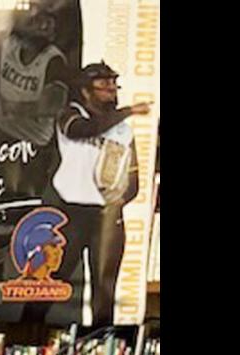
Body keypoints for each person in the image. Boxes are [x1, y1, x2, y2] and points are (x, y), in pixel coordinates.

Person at [0, 1, 77, 307]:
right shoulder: (5, 44)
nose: (44, 22)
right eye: (37, 15)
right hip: (2, 139)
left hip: (34, 146)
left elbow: (53, 102)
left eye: (51, 19)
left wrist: (9, 107)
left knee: (10, 212)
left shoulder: (54, 60)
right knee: (3, 211)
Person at [50, 63, 153, 326]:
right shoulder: (70, 113)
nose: (111, 89)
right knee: (50, 283)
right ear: (85, 90)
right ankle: (30, 341)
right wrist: (129, 111)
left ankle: (103, 347)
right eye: (103, 84)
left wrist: (118, 196)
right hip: (70, 212)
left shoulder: (122, 130)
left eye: (113, 83)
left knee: (104, 289)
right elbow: (83, 130)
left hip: (106, 214)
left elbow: (133, 178)